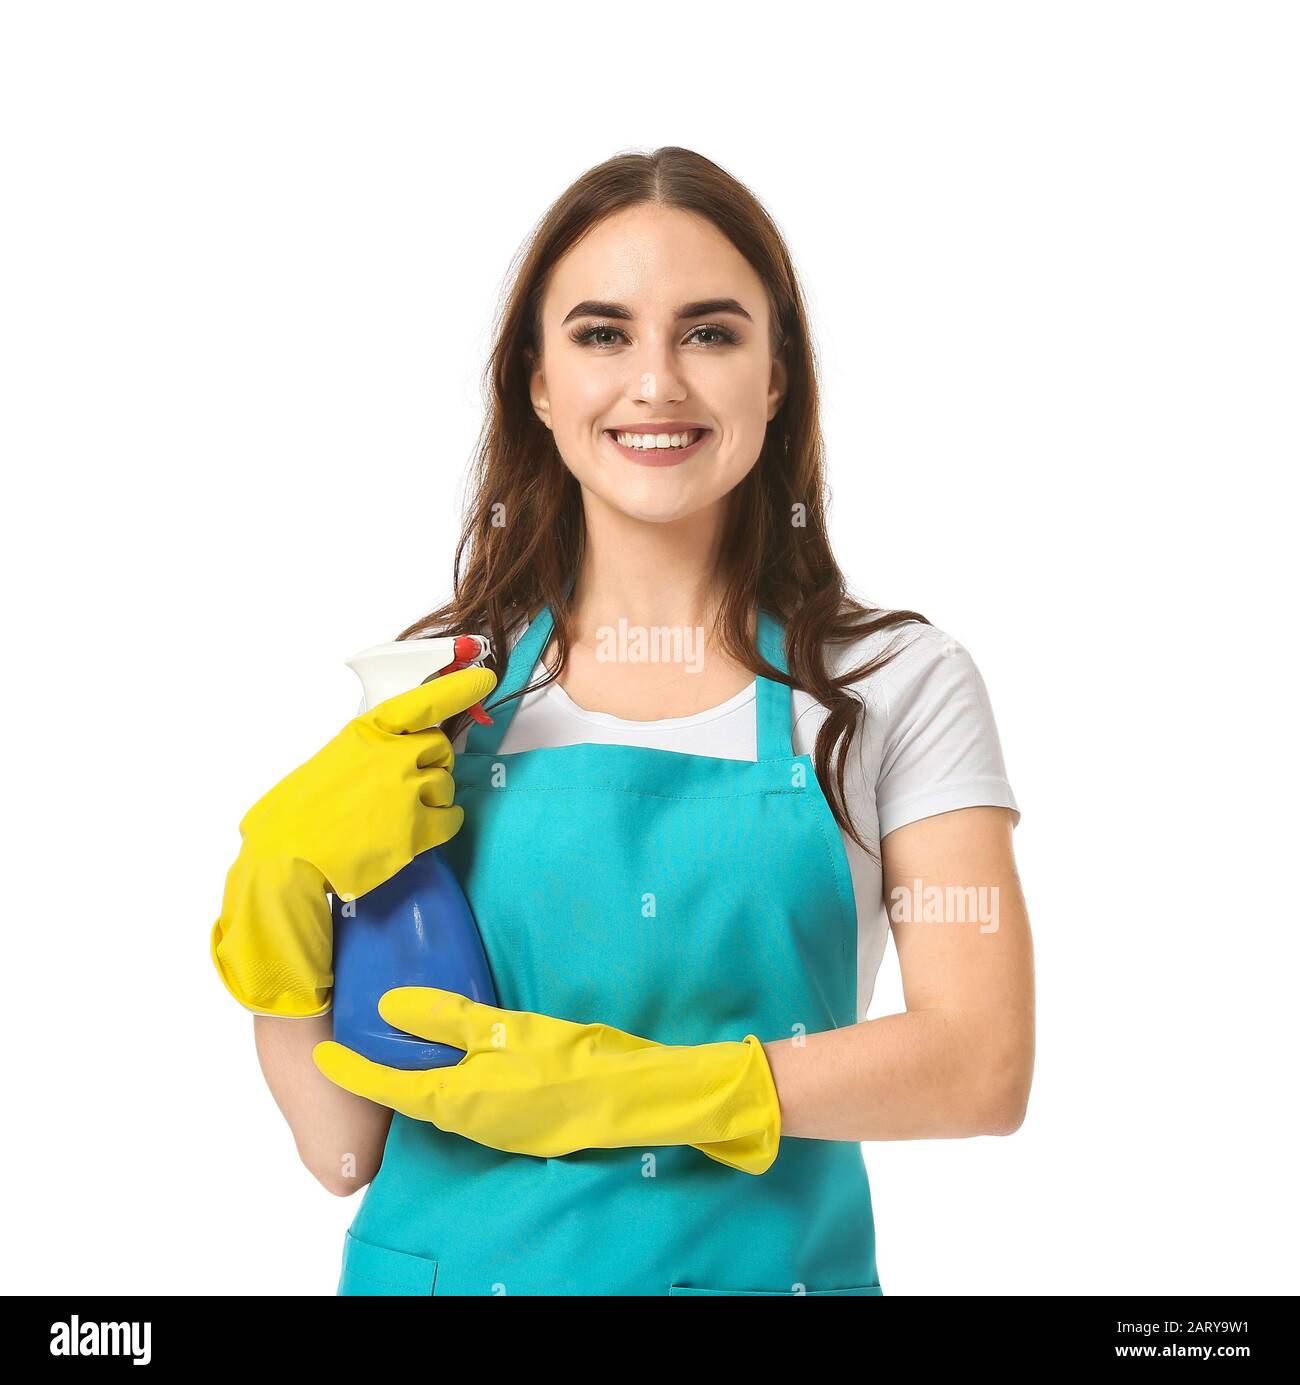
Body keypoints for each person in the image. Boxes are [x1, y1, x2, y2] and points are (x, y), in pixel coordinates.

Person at [211, 146, 1033, 1297]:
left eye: (709, 333)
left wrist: (628, 1088)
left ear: (776, 376)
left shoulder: (889, 682)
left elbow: (979, 1064)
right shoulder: (440, 688)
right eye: (602, 334)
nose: (656, 383)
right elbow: (342, 1143)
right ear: (540, 384)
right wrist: (281, 910)